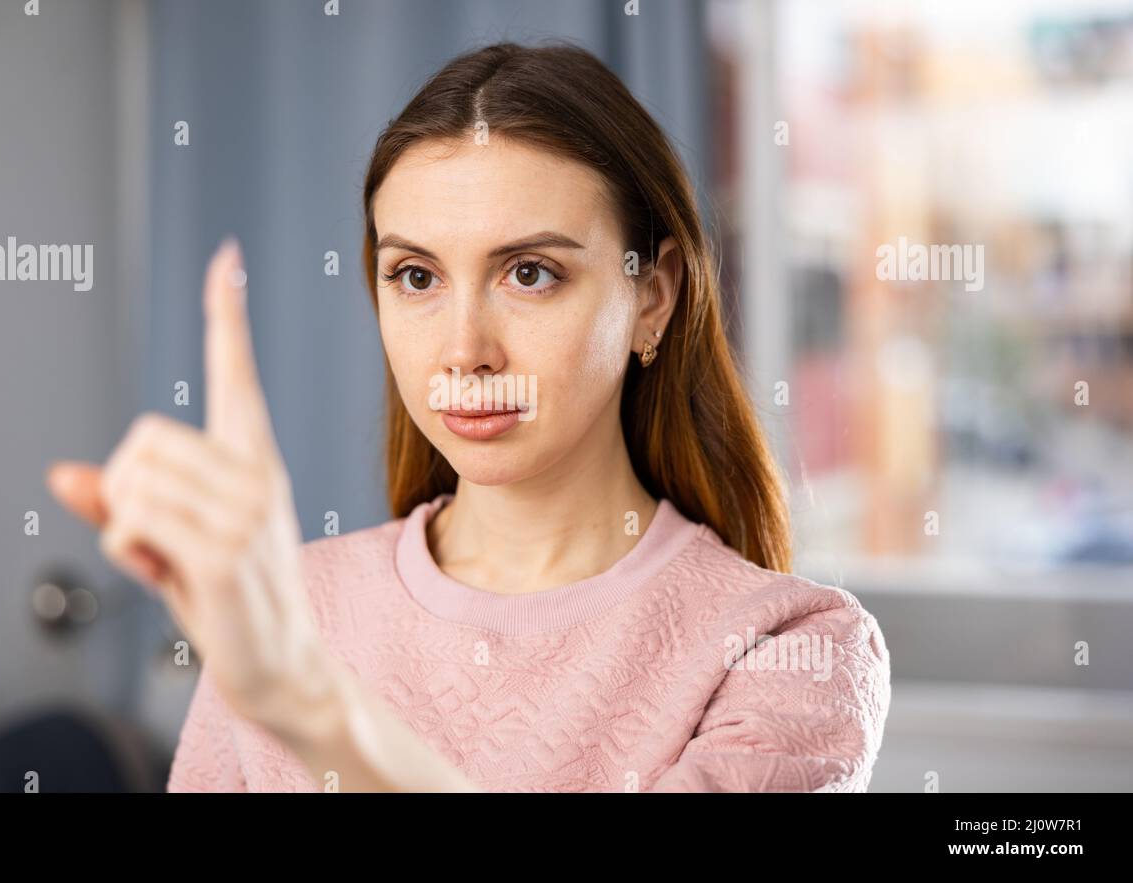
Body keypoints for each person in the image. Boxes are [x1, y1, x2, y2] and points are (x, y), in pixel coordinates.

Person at [46, 40, 890, 792]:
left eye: (529, 273)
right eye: (416, 277)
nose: (464, 349)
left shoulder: (789, 648)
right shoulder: (283, 608)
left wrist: (308, 702)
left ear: (653, 297)